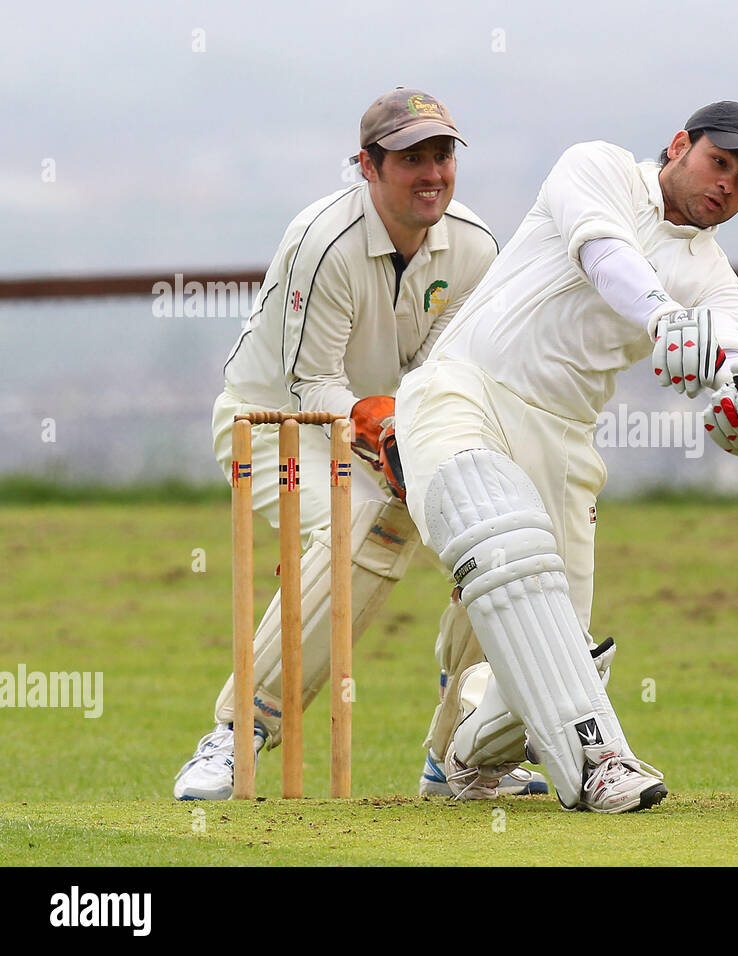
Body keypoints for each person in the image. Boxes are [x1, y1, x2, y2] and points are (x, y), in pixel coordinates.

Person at [394, 101, 738, 812]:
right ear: (678, 146)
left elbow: (732, 348)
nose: (728, 185)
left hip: (564, 443)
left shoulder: (715, 282)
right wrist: (665, 317)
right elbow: (604, 254)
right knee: (497, 534)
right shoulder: (598, 166)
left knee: (554, 652)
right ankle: (600, 761)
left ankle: (463, 761)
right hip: (464, 386)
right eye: (720, 162)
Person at [174, 87, 547, 800]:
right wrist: (383, 428)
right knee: (370, 528)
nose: (431, 172)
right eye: (411, 158)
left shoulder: (473, 246)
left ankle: (462, 757)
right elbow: (312, 386)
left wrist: (415, 436)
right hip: (274, 426)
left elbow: (450, 372)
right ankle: (236, 736)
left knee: (493, 536)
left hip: (392, 431)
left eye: (441, 155)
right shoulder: (326, 241)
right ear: (368, 167)